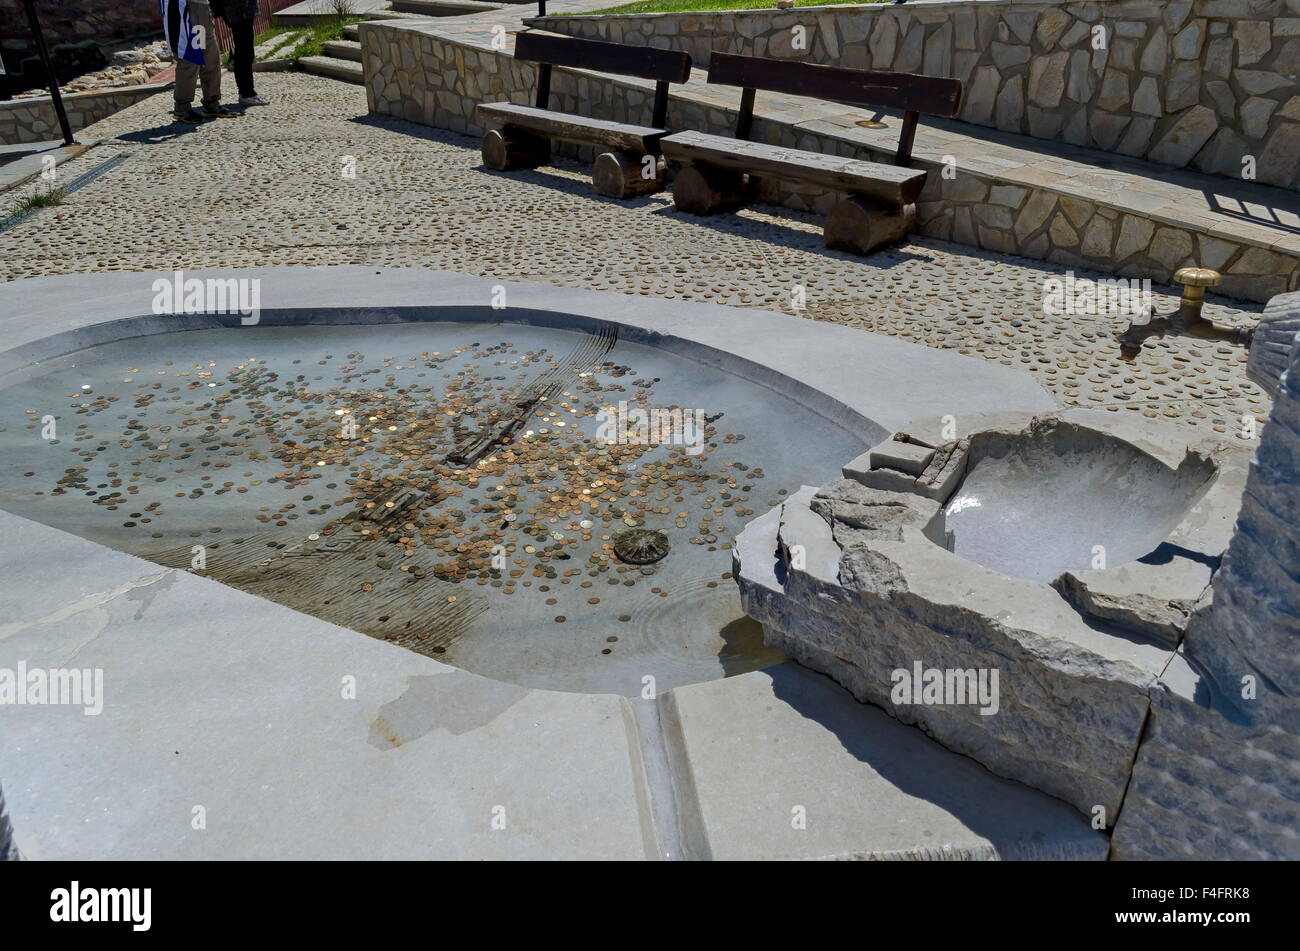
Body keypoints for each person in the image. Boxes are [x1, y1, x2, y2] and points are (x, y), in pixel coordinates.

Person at [160, 0, 237, 122]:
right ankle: (182, 108)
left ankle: (212, 104)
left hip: (202, 7)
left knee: (210, 58)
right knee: (189, 60)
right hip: (186, 8)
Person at [212, 0, 269, 106]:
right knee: (244, 52)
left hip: (244, 10)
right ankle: (246, 93)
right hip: (237, 11)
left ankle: (248, 92)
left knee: (246, 51)